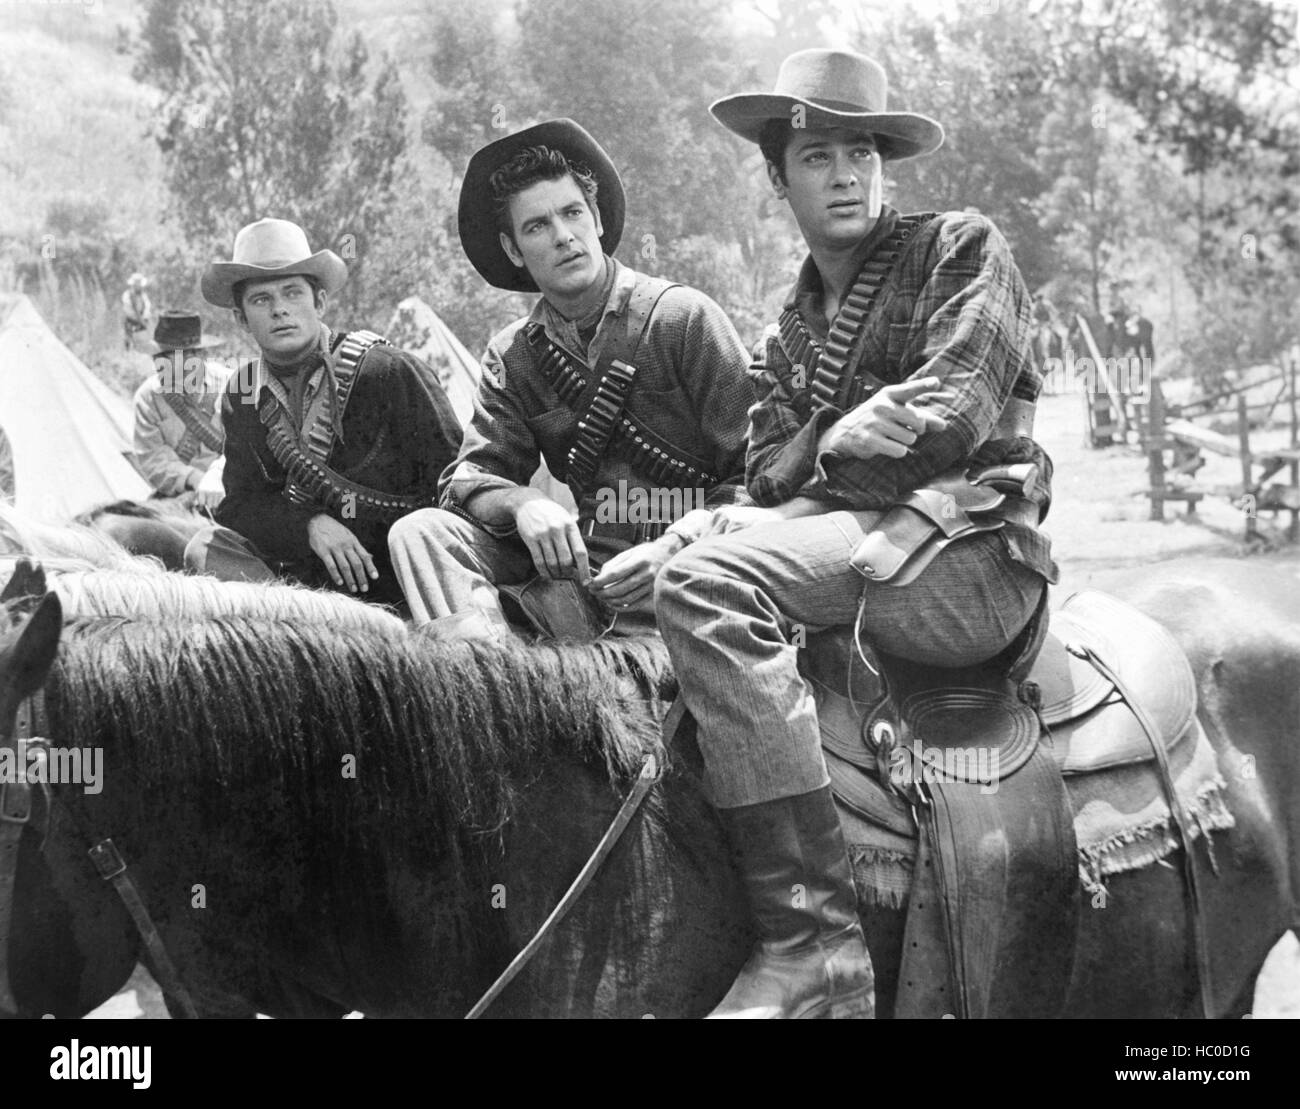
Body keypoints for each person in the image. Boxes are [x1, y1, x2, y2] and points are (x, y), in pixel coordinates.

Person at [653, 48, 1059, 1018]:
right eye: (819, 157)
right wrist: (816, 462)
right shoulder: (788, 331)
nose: (846, 175)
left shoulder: (960, 249)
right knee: (652, 585)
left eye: (863, 154)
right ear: (778, 175)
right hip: (876, 545)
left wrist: (817, 457)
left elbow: (949, 416)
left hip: (969, 552)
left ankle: (812, 940)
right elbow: (760, 468)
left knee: (702, 585)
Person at [387, 119, 754, 638]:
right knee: (421, 531)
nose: (563, 237)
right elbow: (467, 480)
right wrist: (523, 502)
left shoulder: (683, 318)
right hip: (587, 578)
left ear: (597, 219)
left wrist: (675, 545)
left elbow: (759, 476)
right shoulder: (514, 355)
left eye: (572, 213)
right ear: (514, 250)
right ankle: (486, 684)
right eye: (536, 226)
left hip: (697, 566)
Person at [184, 218, 463, 607]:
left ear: (319, 302)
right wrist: (308, 525)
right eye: (261, 300)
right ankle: (297, 627)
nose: (280, 310)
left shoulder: (388, 371)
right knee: (206, 547)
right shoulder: (243, 392)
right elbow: (240, 505)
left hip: (393, 574)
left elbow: (454, 483)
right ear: (241, 319)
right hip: (301, 574)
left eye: (292, 293)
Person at [132, 309, 227, 511]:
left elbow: (247, 445)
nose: (160, 364)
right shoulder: (148, 396)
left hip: (230, 489)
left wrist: (216, 476)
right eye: (159, 356)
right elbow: (153, 459)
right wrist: (195, 479)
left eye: (172, 356)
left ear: (198, 355)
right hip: (178, 496)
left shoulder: (231, 384)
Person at [121, 273, 153, 350]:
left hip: (141, 319)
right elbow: (128, 310)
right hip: (130, 319)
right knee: (128, 337)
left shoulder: (143, 295)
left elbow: (147, 306)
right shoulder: (127, 295)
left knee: (142, 338)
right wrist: (138, 318)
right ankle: (127, 352)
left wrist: (144, 317)